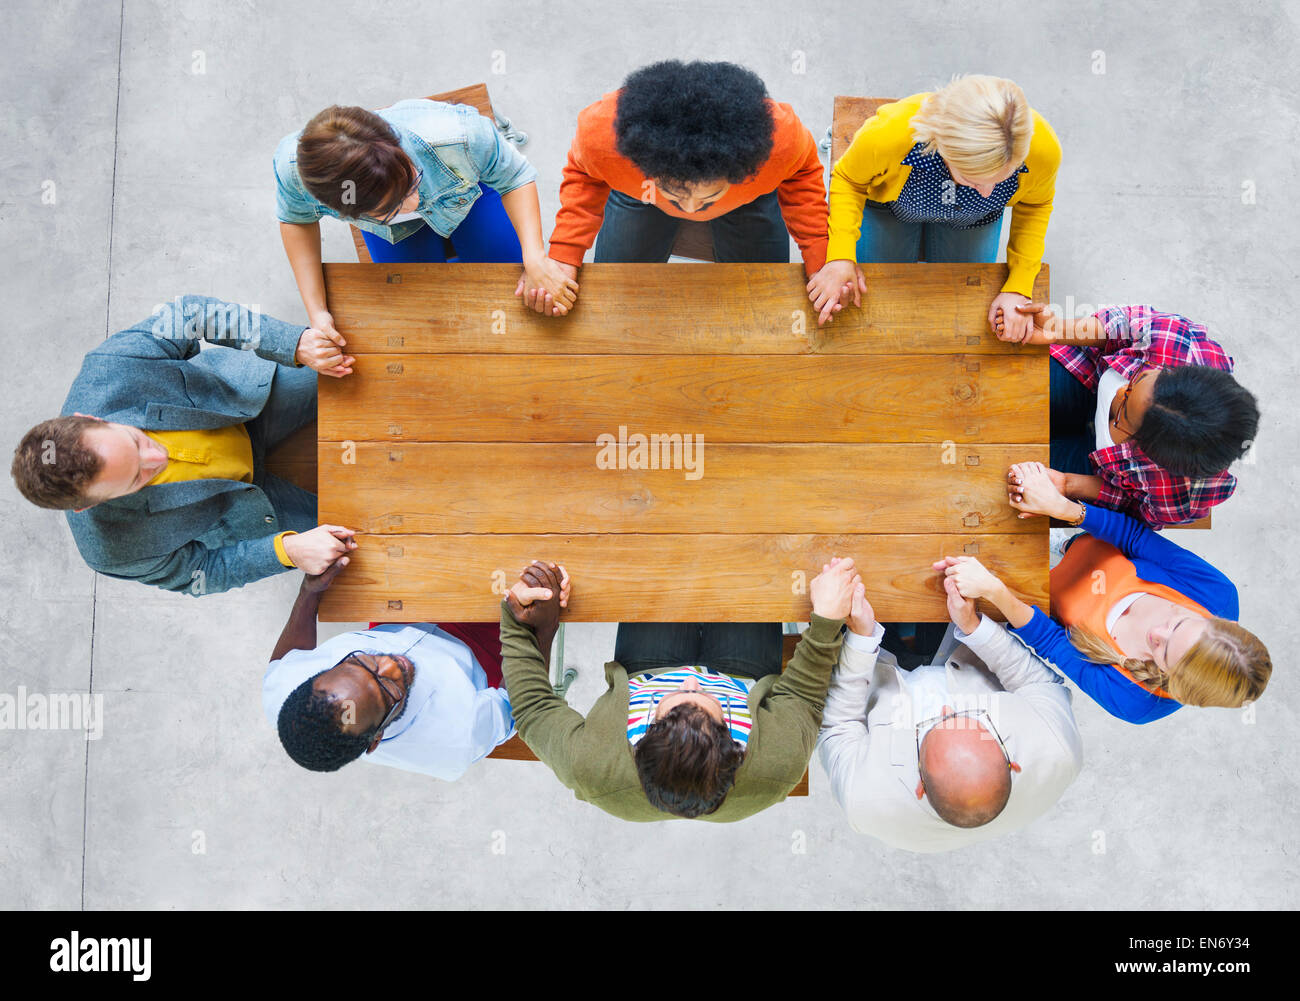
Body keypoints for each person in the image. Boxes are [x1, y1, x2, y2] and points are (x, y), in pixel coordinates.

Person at [10, 294, 357, 594]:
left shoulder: (110, 368)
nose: (157, 457)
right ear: (88, 507)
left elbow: (191, 314)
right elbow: (205, 573)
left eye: (137, 440)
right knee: (379, 541)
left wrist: (291, 342)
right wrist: (290, 552)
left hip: (249, 402)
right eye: (136, 478)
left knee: (357, 354)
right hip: (252, 507)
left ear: (93, 418)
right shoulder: (112, 552)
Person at [499, 558, 857, 821]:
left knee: (662, 561)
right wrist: (826, 621)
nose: (689, 681)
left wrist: (520, 618)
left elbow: (532, 711)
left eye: (676, 699)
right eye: (704, 699)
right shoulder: (778, 764)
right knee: (749, 564)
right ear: (737, 745)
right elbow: (804, 697)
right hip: (741, 673)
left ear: (640, 740)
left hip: (646, 666)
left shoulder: (591, 768)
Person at [941, 460, 1271, 724]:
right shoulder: (1216, 592)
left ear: (1175, 685)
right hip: (1075, 537)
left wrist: (996, 592)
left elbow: (1052, 642)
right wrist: (1061, 508)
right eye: (1178, 622)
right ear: (1212, 617)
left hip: (1031, 601)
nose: (1158, 632)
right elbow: (1134, 538)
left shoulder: (1134, 702)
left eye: (1163, 651)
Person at [531, 60, 831, 315]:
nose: (690, 209)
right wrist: (563, 255)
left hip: (748, 201)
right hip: (642, 196)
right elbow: (583, 175)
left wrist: (821, 258)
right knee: (620, 303)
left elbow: (803, 175)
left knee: (760, 304)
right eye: (677, 195)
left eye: (708, 196)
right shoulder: (601, 135)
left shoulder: (781, 141)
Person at [817, 571, 1083, 853]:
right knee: (941, 575)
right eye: (971, 720)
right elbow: (1038, 683)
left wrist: (860, 640)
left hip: (876, 676)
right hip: (960, 652)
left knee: (834, 591)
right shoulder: (1058, 752)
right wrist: (974, 626)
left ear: (919, 785)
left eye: (931, 726)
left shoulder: (865, 801)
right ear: (1013, 763)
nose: (945, 708)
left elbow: (838, 725)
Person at [274, 99, 578, 338]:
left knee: (510, 281)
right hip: (395, 233)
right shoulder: (294, 173)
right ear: (343, 210)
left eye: (411, 181)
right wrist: (317, 312)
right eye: (392, 206)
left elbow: (515, 176)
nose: (415, 202)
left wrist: (535, 258)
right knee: (421, 309)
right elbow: (296, 220)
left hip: (463, 196)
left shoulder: (459, 135)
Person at [810, 75, 1060, 331]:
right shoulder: (890, 134)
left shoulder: (1043, 149)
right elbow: (848, 179)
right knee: (877, 302)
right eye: (972, 180)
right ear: (943, 148)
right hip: (890, 209)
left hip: (973, 219)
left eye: (1001, 178)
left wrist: (1019, 287)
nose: (986, 194)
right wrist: (840, 256)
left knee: (961, 306)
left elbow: (1035, 205)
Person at [994, 301, 1258, 527]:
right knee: (996, 394)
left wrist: (1067, 485)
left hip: (1095, 470)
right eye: (1136, 381)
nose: (1119, 392)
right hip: (1084, 376)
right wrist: (1057, 329)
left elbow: (1133, 507)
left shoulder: (1185, 495)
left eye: (1124, 413)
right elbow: (1121, 327)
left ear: (1150, 452)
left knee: (999, 477)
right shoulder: (1179, 344)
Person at [264, 556, 515, 777]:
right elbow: (518, 700)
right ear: (376, 739)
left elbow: (286, 657)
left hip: (398, 614)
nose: (391, 664)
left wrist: (309, 592)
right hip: (484, 645)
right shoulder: (457, 740)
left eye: (360, 662)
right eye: (386, 690)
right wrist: (532, 626)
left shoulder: (286, 691)